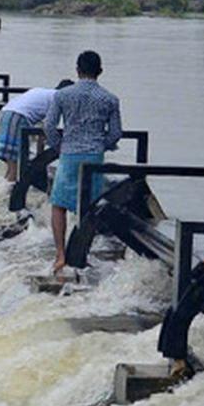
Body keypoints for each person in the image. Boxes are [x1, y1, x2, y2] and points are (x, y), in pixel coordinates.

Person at [43, 51, 122, 274]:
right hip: (94, 158)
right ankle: (81, 256)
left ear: (77, 70)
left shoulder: (63, 95)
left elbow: (49, 126)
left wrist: (60, 146)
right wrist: (102, 145)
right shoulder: (110, 99)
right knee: (89, 208)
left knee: (59, 205)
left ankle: (60, 255)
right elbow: (116, 133)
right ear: (100, 71)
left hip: (69, 155)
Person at [0, 80, 75, 182]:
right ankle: (10, 191)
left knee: (11, 166)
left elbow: (43, 130)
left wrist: (39, 156)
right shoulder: (56, 98)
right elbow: (48, 128)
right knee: (15, 170)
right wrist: (43, 156)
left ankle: (2, 188)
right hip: (17, 117)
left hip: (6, 114)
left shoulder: (45, 94)